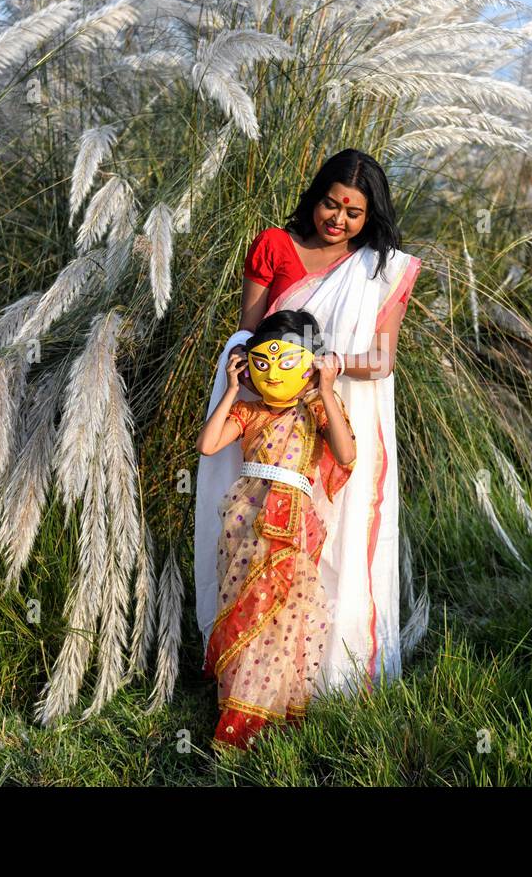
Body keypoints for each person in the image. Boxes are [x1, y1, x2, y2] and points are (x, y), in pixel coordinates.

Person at [194, 148, 421, 696]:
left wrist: (333, 368)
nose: (338, 220)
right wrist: (244, 376)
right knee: (256, 538)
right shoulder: (275, 245)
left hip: (334, 412)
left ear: (371, 217)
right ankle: (251, 675)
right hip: (267, 416)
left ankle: (329, 675)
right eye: (330, 205)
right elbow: (248, 333)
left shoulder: (382, 269)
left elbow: (384, 360)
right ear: (315, 196)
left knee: (334, 532)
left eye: (353, 213)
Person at [195, 310, 356, 751]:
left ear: (310, 361)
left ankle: (271, 710)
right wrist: (231, 390)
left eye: (288, 361)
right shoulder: (249, 411)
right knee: (245, 606)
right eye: (263, 363)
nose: (274, 374)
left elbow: (344, 453)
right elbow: (207, 445)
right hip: (243, 522)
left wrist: (326, 388)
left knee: (284, 613)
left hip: (295, 526)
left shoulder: (317, 408)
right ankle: (238, 709)